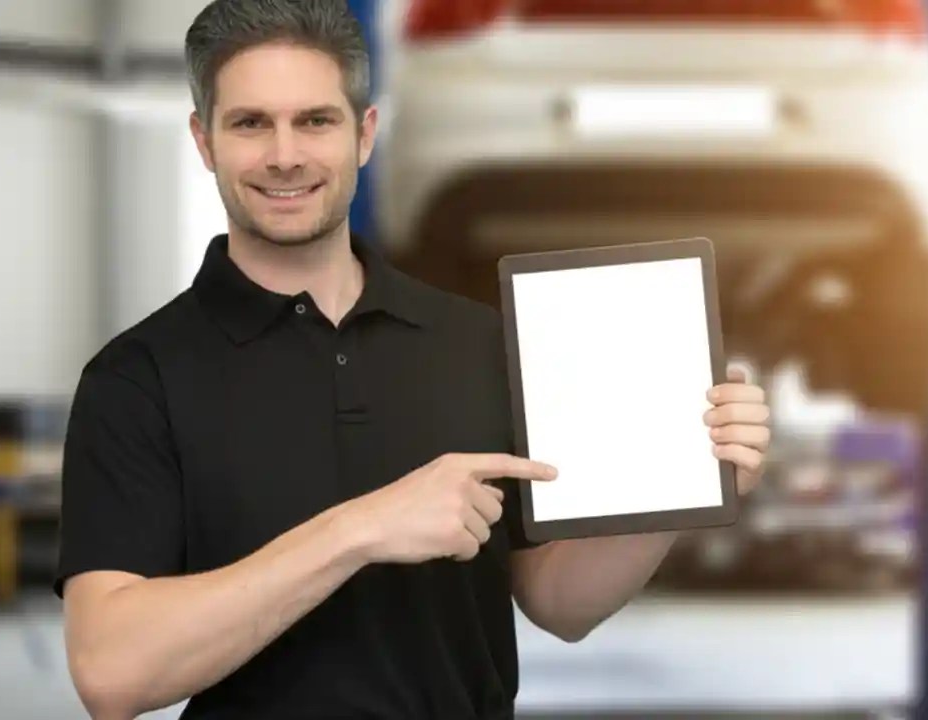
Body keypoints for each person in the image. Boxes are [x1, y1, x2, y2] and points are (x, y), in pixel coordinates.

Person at [55, 1, 773, 718]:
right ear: (204, 141)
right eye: (250, 123)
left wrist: (682, 480)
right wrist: (360, 529)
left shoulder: (479, 343)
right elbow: (112, 672)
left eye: (316, 120)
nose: (284, 154)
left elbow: (560, 602)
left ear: (364, 134)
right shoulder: (137, 379)